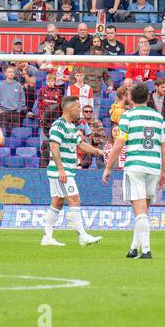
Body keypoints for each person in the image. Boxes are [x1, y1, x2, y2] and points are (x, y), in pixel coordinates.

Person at [102, 82, 165, 259]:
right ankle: (134, 248)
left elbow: (119, 144)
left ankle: (146, 250)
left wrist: (108, 167)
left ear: (131, 98)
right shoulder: (158, 117)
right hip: (153, 167)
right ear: (148, 97)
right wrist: (164, 172)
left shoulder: (128, 116)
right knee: (143, 211)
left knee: (139, 211)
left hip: (135, 166)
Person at [41, 95, 105, 249]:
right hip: (61, 172)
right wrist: (61, 169)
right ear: (69, 109)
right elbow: (54, 147)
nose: (80, 110)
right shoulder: (58, 126)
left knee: (57, 203)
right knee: (74, 200)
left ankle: (47, 237)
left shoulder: (71, 126)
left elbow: (81, 145)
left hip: (64, 171)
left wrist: (99, 151)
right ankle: (83, 236)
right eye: (77, 107)